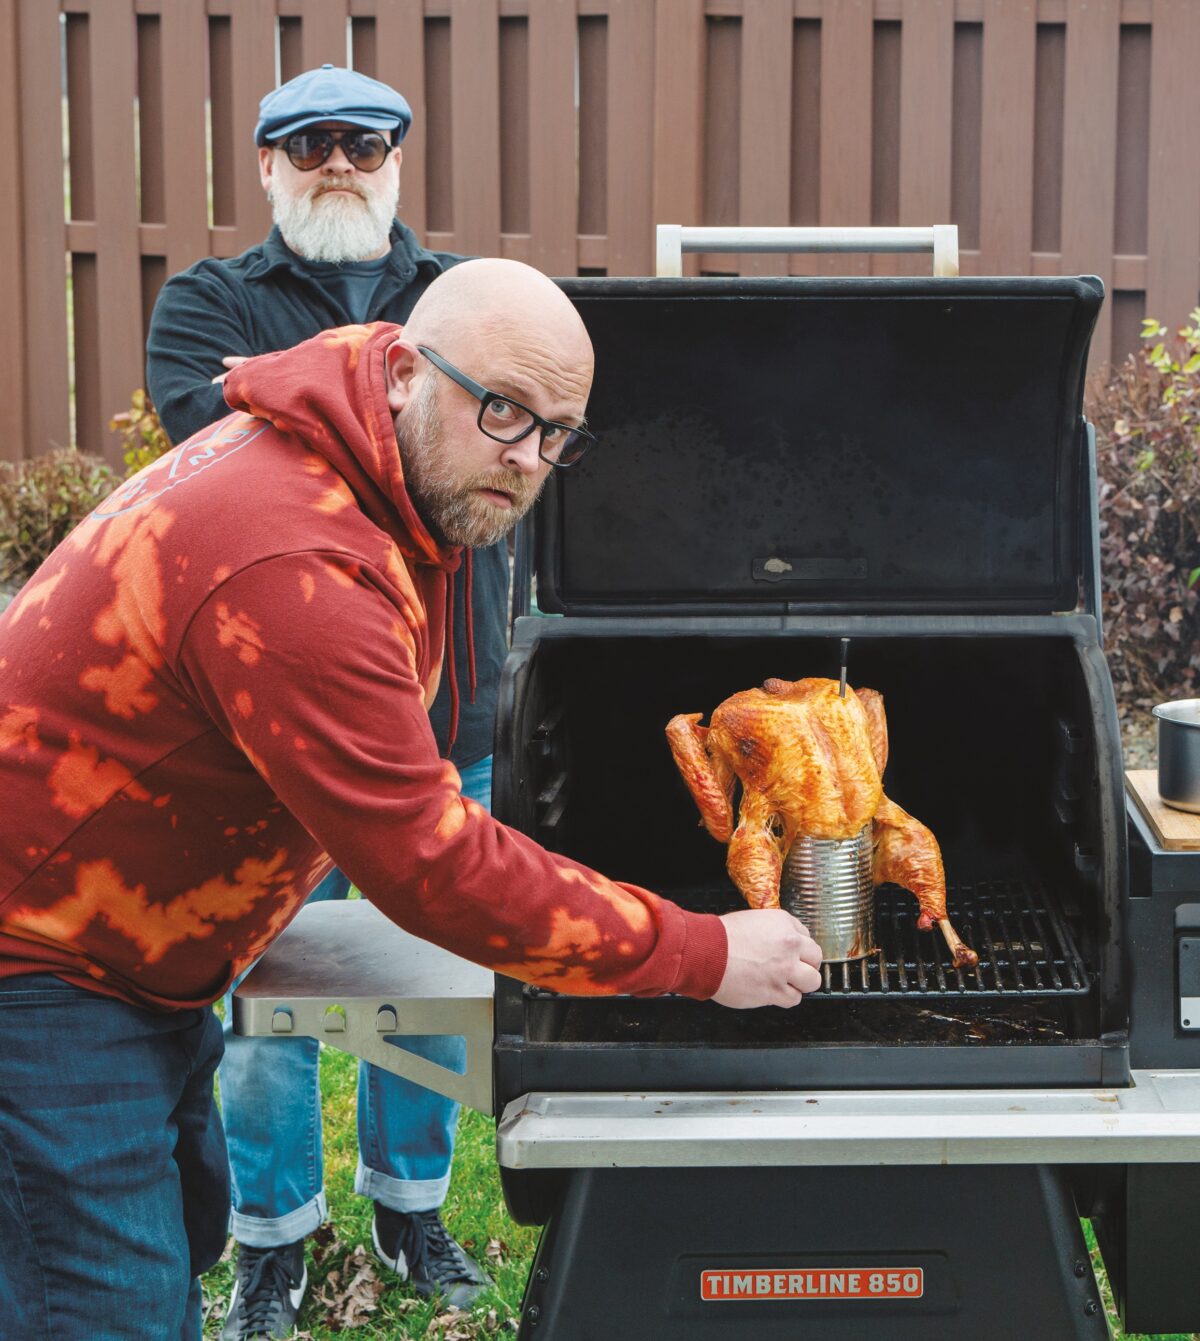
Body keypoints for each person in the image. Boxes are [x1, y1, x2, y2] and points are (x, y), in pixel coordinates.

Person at [0, 258, 824, 1340]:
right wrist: (703, 954)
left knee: (159, 1253)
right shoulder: (295, 559)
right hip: (44, 972)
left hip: (130, 956)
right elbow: (429, 863)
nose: (526, 459)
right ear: (399, 369)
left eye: (556, 433)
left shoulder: (360, 453)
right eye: (501, 411)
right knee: (101, 1308)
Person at [145, 65, 503, 1333]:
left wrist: (287, 386)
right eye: (308, 148)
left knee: (438, 981)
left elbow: (489, 445)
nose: (336, 165)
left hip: (449, 717)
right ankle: (274, 1241)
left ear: (401, 155)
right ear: (265, 168)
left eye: (362, 142)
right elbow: (218, 443)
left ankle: (413, 1216)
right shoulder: (205, 301)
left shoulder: (467, 296)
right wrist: (421, 418)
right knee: (261, 1002)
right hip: (265, 743)